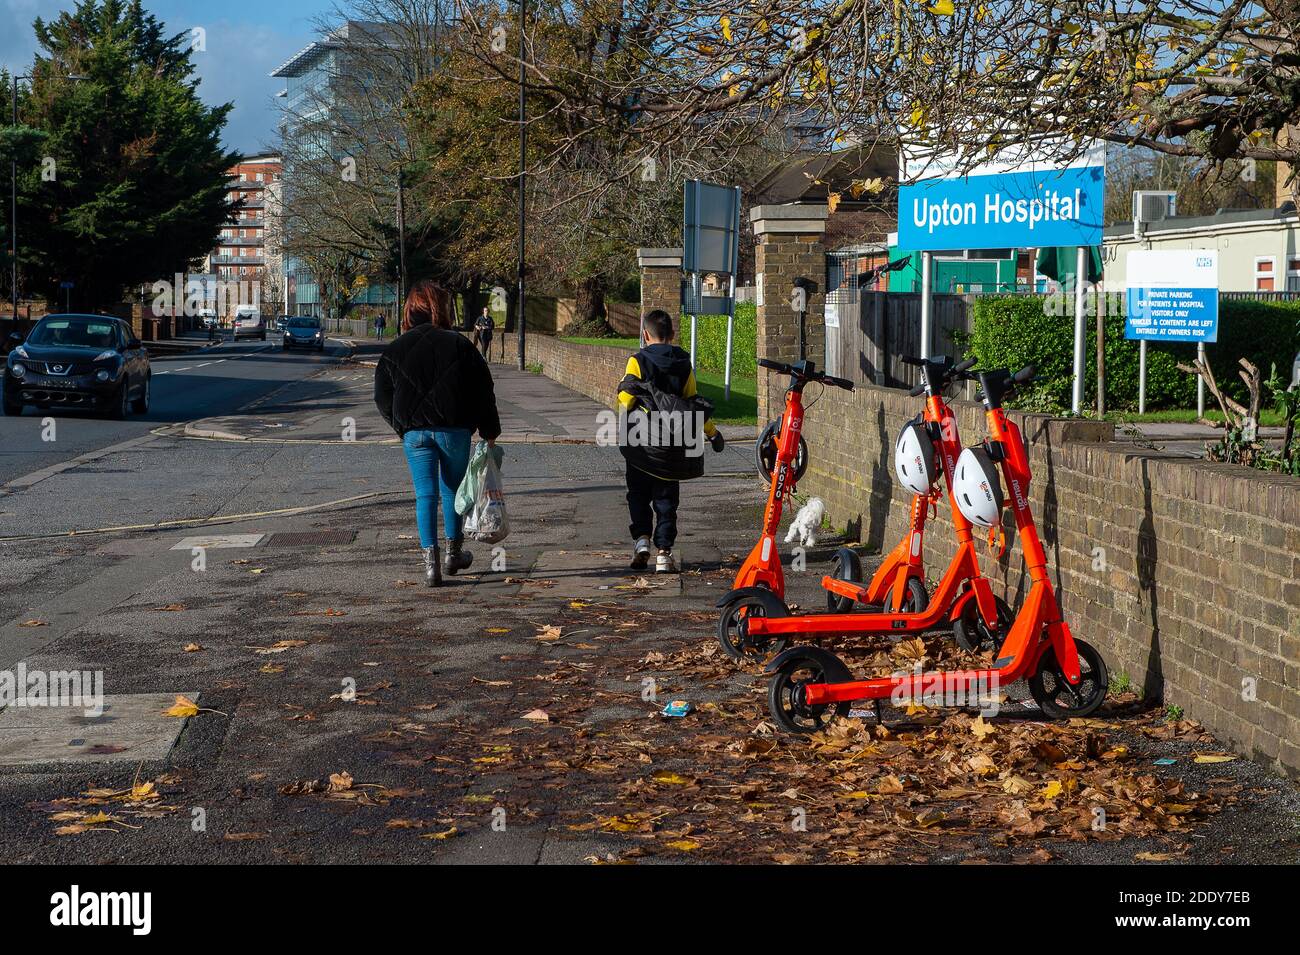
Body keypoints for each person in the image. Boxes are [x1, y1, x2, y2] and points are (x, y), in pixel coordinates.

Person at [375, 280, 502, 586]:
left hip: (415, 434)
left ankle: (429, 564)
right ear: (440, 309)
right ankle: (453, 554)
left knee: (425, 494)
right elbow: (483, 390)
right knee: (452, 491)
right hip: (453, 429)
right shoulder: (460, 345)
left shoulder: (395, 348)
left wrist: (401, 425)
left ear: (409, 310)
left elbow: (382, 395)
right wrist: (489, 430)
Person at [617, 308, 724, 573]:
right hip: (673, 446)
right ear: (672, 334)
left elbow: (626, 400)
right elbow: (692, 407)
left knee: (638, 495)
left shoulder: (637, 361)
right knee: (666, 501)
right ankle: (664, 553)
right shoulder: (683, 365)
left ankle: (642, 541)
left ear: (645, 335)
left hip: (641, 445)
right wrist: (713, 433)